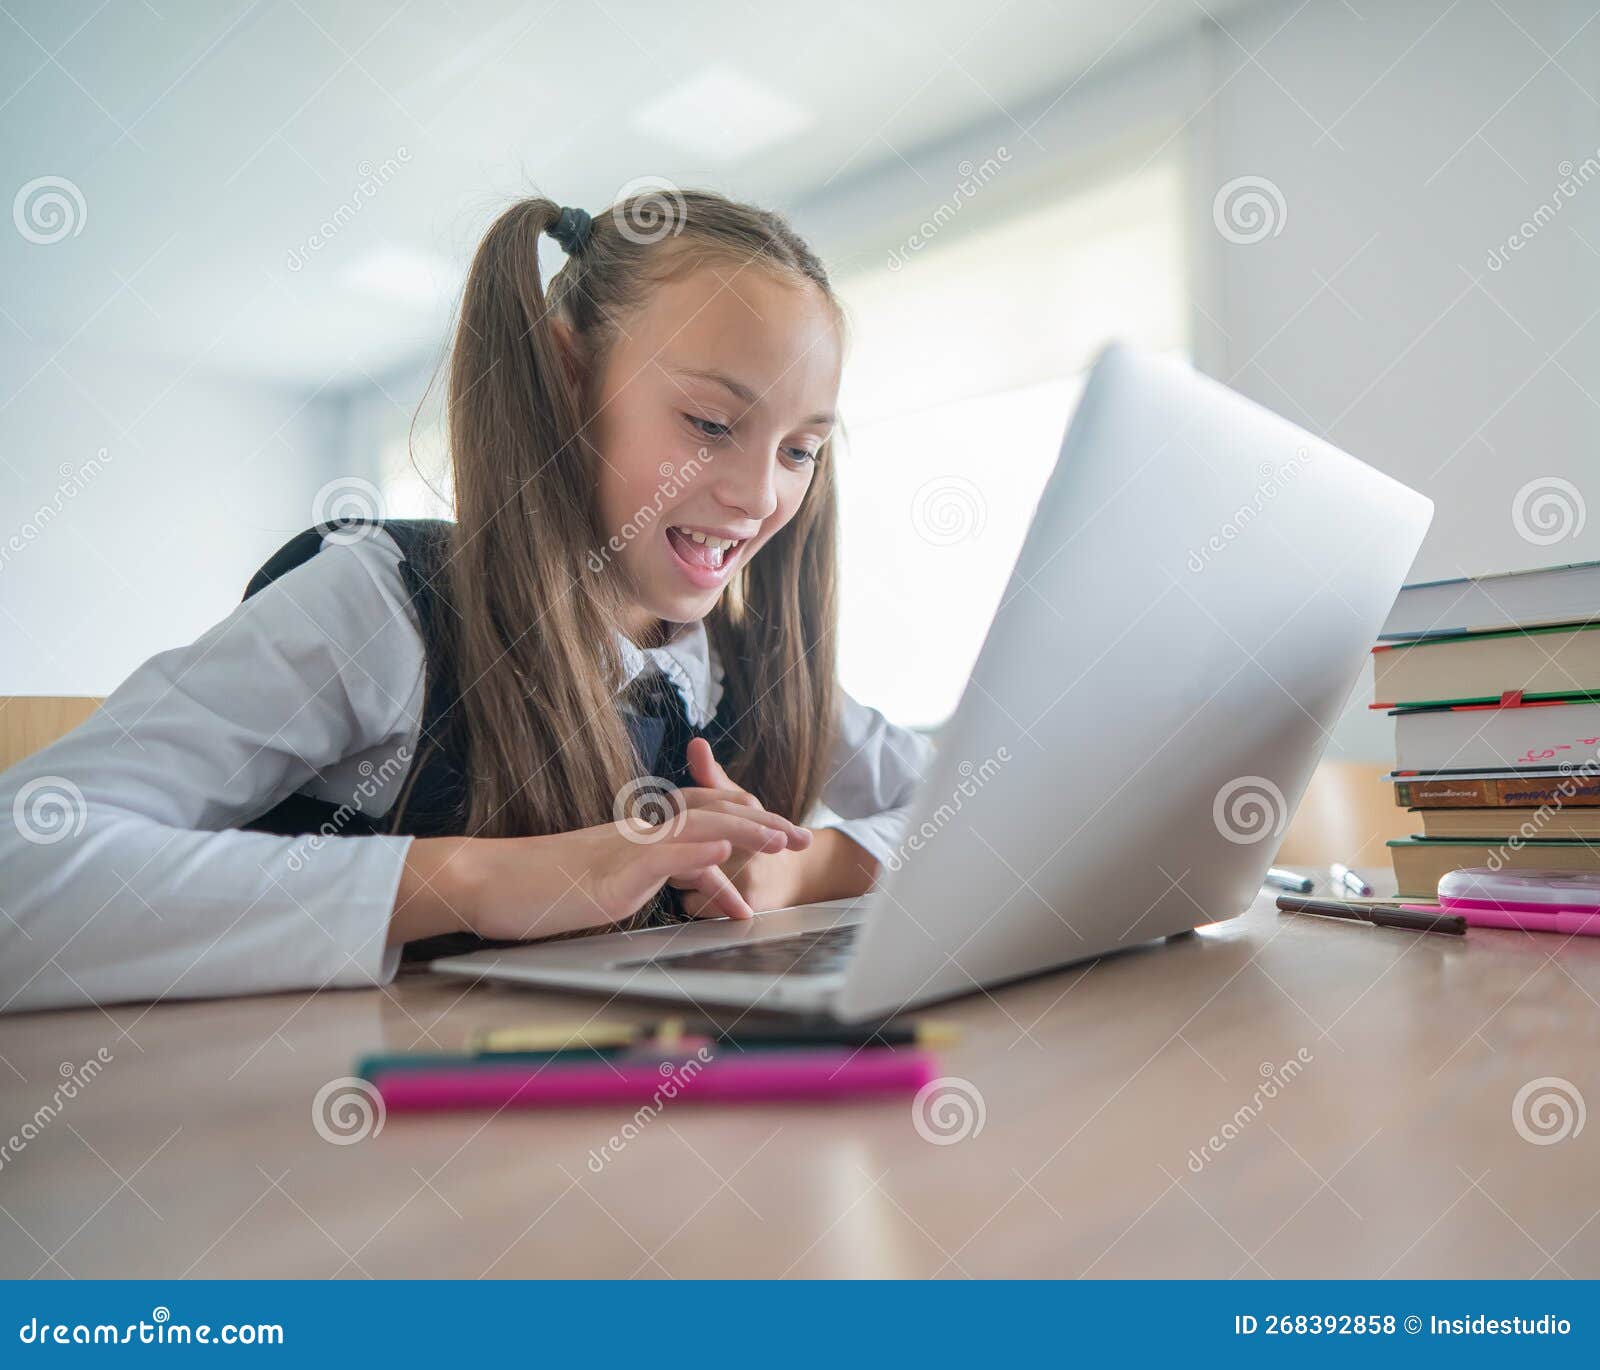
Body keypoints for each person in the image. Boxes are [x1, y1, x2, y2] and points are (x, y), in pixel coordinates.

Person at [0, 190, 932, 1013]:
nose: (760, 495)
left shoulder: (732, 663)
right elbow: (22, 871)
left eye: (800, 450)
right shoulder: (384, 609)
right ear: (566, 381)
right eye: (712, 424)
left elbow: (986, 793)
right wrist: (474, 879)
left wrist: (821, 864)